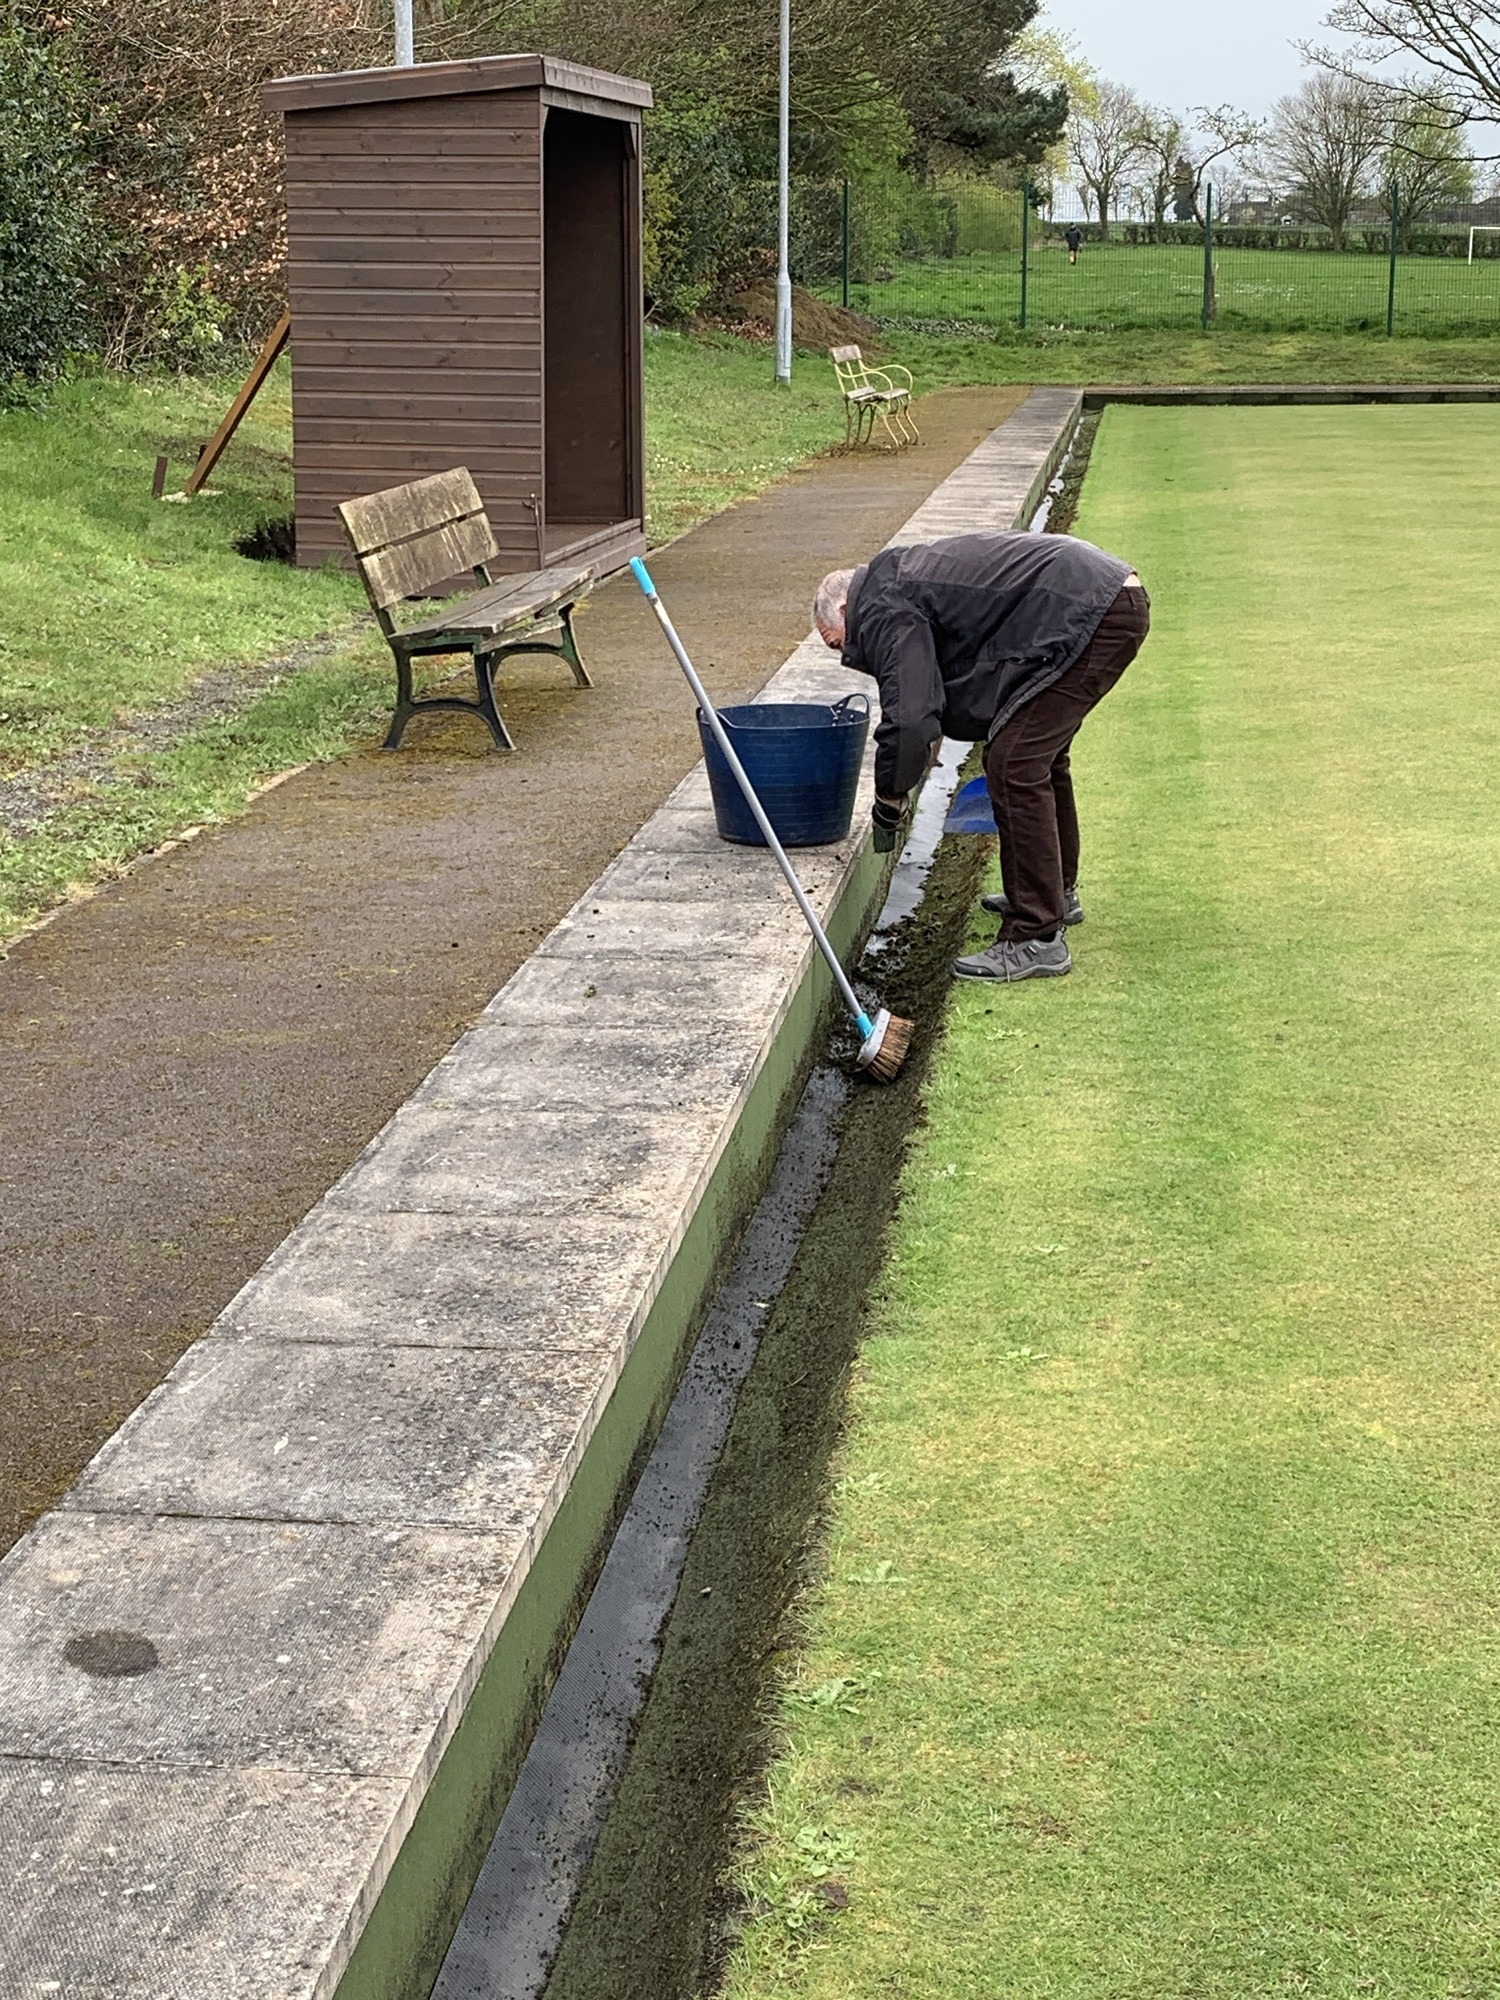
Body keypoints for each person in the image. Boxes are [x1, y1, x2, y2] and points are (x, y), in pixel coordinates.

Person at [813, 531, 1149, 985]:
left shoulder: (880, 604)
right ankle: (1056, 894)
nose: (850, 656)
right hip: (1100, 598)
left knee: (1015, 763)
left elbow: (912, 716)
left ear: (846, 610)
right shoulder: (896, 582)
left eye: (840, 645)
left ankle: (1037, 937)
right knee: (1037, 756)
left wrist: (890, 795)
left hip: (1093, 609)